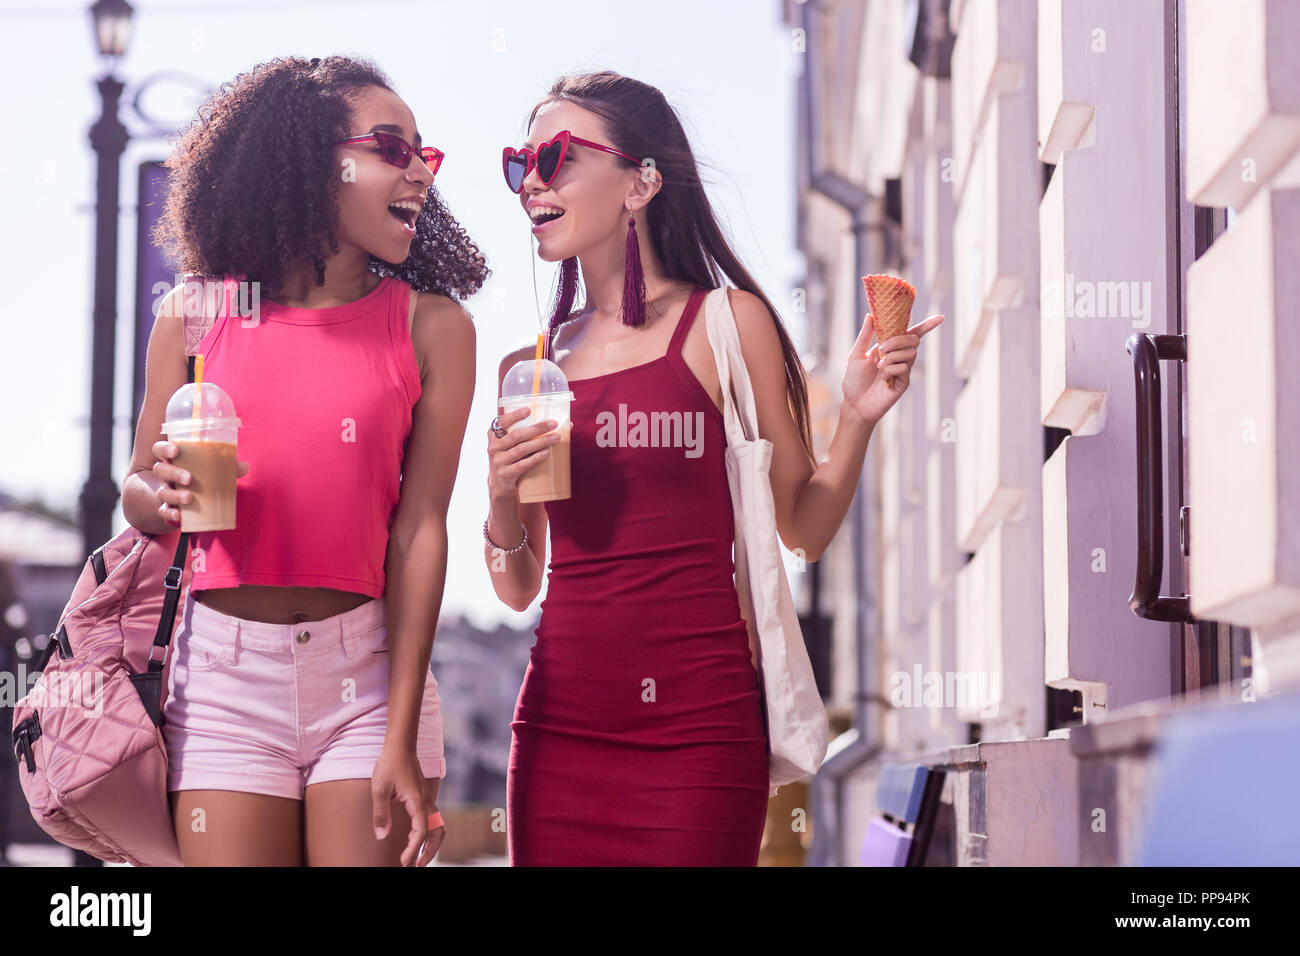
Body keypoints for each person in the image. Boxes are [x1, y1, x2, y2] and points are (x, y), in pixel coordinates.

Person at [485, 71, 943, 865]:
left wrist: (861, 419)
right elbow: (518, 583)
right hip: (558, 729)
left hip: (699, 730)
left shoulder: (729, 325)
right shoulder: (528, 368)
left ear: (642, 181)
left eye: (557, 156)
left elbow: (803, 527)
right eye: (521, 163)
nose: (533, 181)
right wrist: (498, 497)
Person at [121, 55, 486, 866]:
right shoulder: (194, 315)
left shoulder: (434, 329)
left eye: (426, 154)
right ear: (307, 162)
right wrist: (162, 492)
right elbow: (138, 488)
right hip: (220, 680)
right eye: (393, 148)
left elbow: (422, 530)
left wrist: (401, 734)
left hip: (369, 677)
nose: (421, 172)